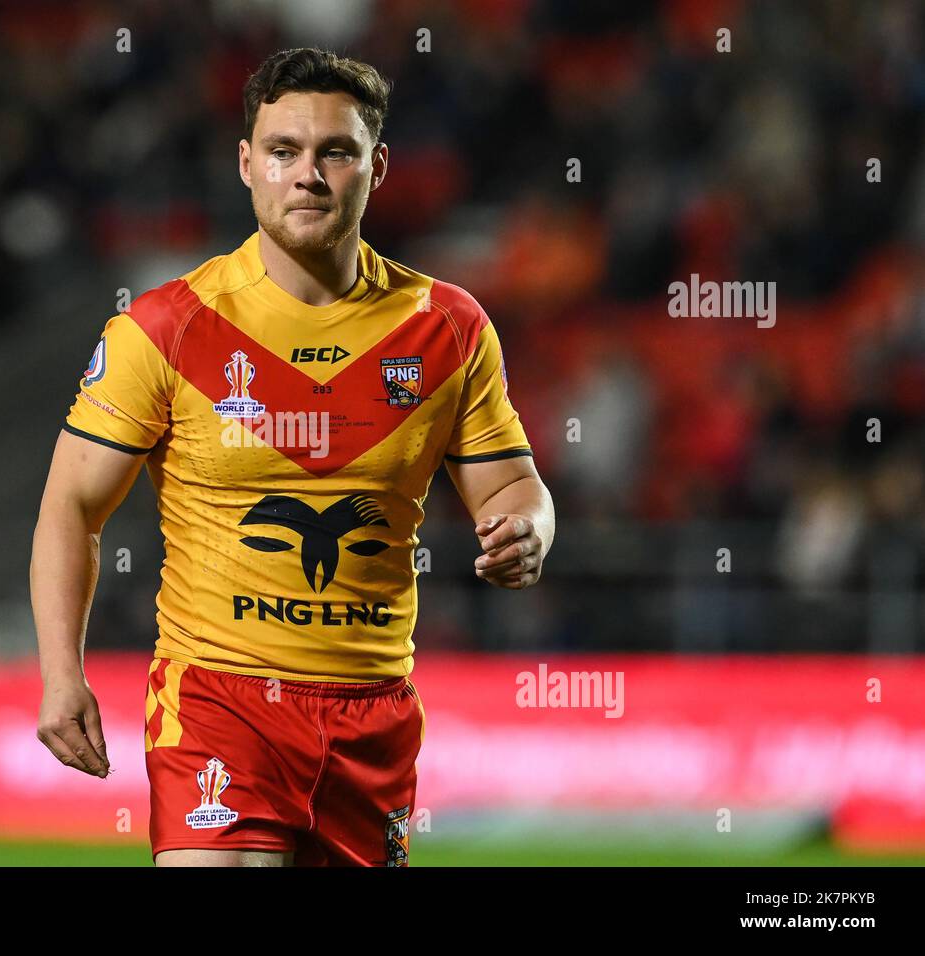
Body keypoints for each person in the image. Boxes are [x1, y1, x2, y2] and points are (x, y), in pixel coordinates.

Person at [30, 47, 554, 867]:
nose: (307, 175)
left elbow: (514, 486)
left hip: (372, 717)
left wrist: (526, 526)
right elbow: (72, 505)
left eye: (334, 153)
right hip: (218, 699)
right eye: (283, 152)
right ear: (247, 164)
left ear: (376, 167)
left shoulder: (447, 328)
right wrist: (63, 674)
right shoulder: (166, 329)